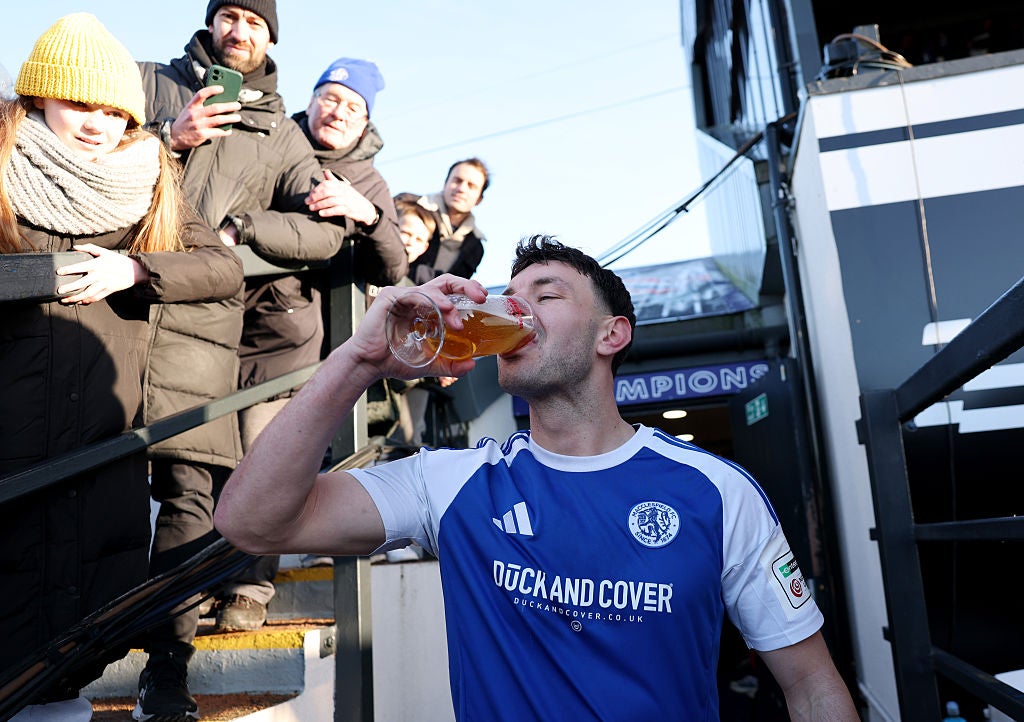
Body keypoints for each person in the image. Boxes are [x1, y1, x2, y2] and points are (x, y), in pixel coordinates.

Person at [214, 235, 860, 721]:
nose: (517, 313)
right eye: (512, 299)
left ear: (613, 334)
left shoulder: (716, 491)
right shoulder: (453, 482)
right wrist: (358, 361)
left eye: (546, 296)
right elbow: (252, 522)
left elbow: (809, 683)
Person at [0, 12, 242, 722]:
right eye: (80, 103)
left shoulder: (148, 180)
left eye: (114, 110)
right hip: (13, 434)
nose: (99, 124)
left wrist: (136, 268)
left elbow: (220, 266)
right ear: (38, 95)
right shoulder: (3, 157)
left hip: (96, 446)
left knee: (72, 633)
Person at [135, 1, 348, 719]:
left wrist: (238, 232)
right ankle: (62, 662)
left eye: (255, 22)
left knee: (192, 495)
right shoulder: (150, 85)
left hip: (203, 327)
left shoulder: (284, 136)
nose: (241, 31)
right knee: (87, 495)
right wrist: (169, 137)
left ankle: (166, 669)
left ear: (270, 36)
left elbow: (323, 237)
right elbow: (78, 152)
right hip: (112, 310)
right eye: (229, 15)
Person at [215, 55, 408, 622]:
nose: (337, 111)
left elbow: (393, 264)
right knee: (204, 465)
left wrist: (366, 214)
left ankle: (248, 590)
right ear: (312, 97)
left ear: (367, 118)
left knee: (265, 458)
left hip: (292, 342)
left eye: (353, 105)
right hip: (222, 323)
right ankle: (190, 586)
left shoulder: (370, 177)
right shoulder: (272, 135)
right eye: (330, 97)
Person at [408, 157, 490, 284]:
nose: (462, 189)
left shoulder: (476, 247)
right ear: (445, 184)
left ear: (479, 199)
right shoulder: (407, 207)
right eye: (457, 180)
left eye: (471, 186)